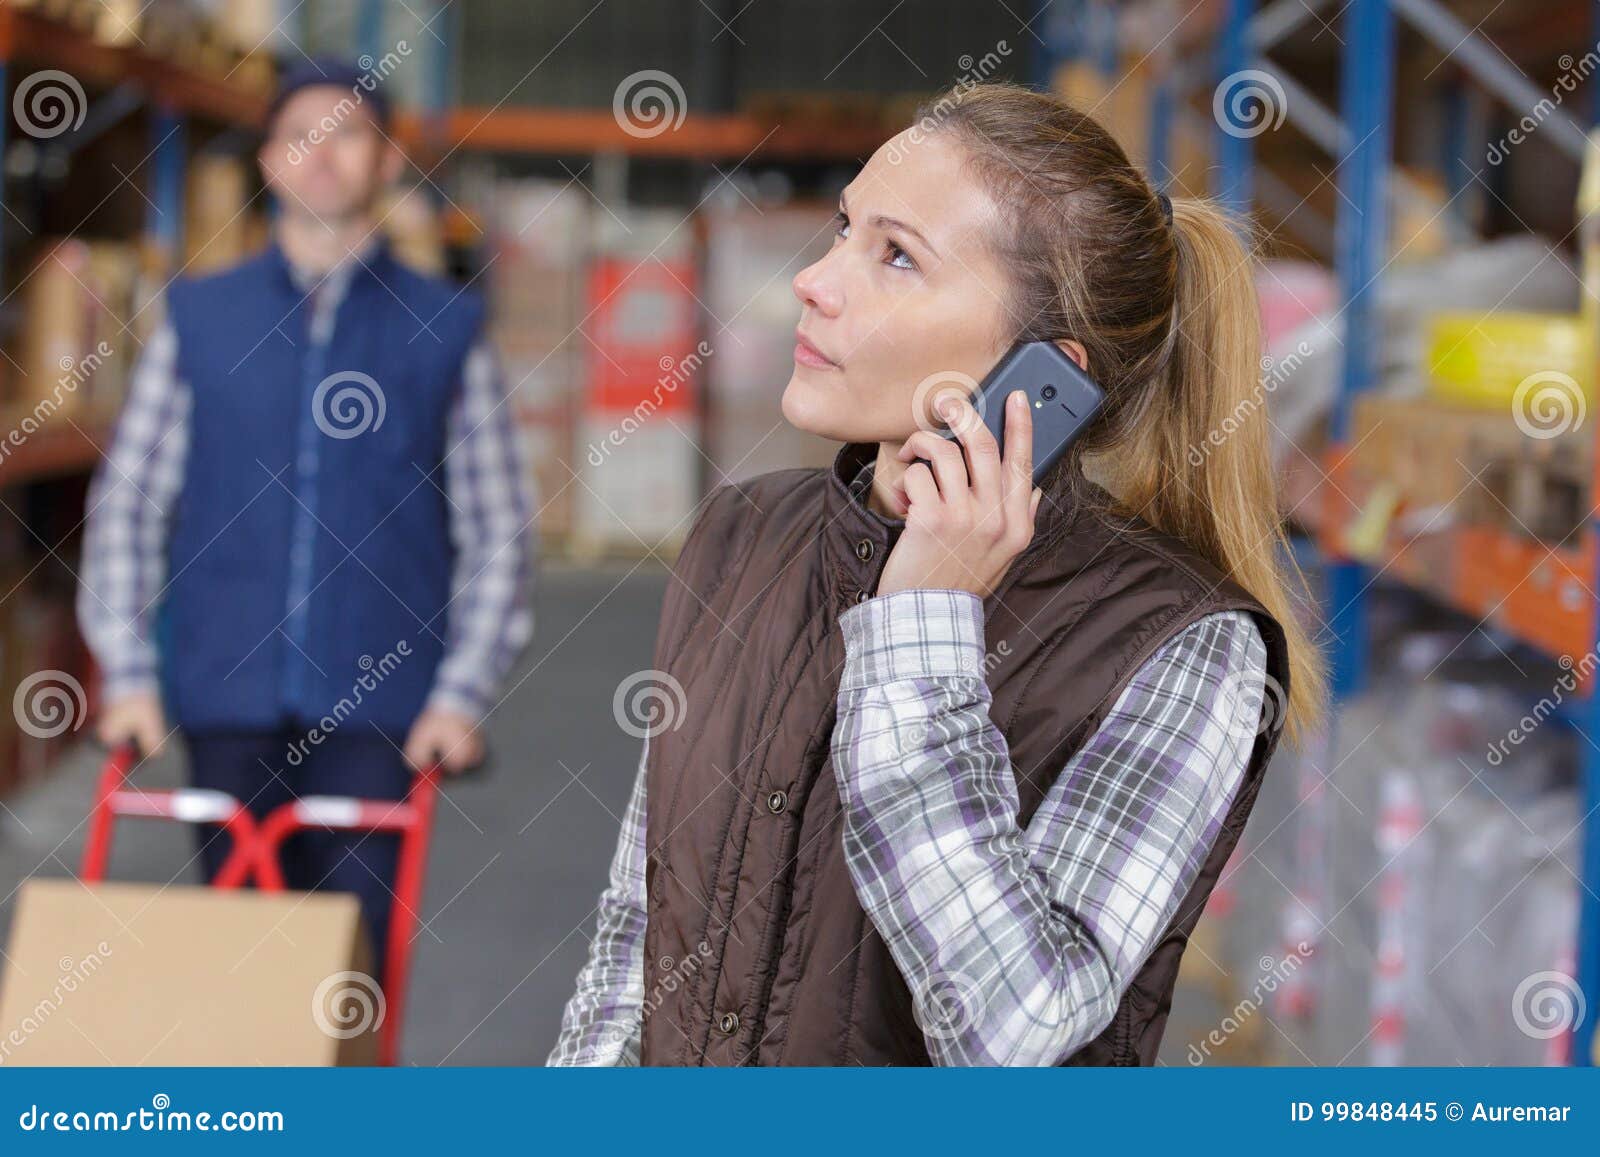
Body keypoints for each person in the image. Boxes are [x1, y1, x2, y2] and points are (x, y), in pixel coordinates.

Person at [548, 81, 1326, 1067]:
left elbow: (1013, 1033)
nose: (814, 281)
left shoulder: (1185, 645)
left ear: (1041, 375)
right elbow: (636, 924)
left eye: (897, 256)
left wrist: (921, 628)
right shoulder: (742, 537)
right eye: (843, 229)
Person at [76, 59, 536, 985]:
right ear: (270, 163)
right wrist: (127, 671)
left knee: (346, 977)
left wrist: (459, 693)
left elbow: (499, 528)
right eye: (299, 134)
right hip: (223, 698)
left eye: (349, 132)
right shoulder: (200, 318)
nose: (321, 155)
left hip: (381, 714)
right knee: (239, 971)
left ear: (388, 161)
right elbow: (130, 500)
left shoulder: (446, 327)